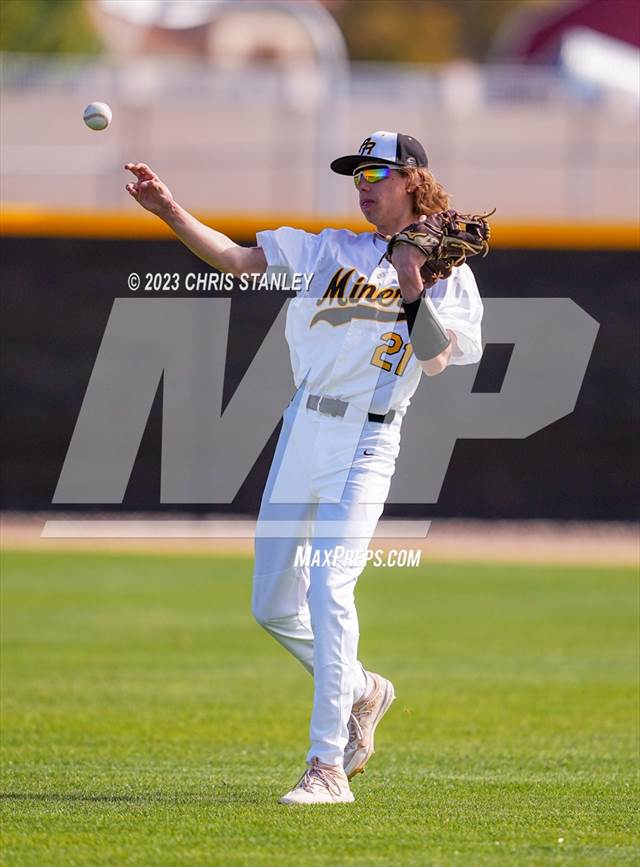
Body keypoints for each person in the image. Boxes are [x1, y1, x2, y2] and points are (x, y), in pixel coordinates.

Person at [125, 130, 483, 805]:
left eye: (375, 173)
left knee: (329, 589)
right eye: (356, 174)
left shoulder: (448, 274)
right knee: (271, 606)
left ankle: (326, 767)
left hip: (367, 441)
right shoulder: (326, 249)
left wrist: (413, 281)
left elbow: (437, 360)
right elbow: (235, 259)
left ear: (412, 180)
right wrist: (169, 210)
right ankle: (363, 689)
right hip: (302, 430)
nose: (361, 185)